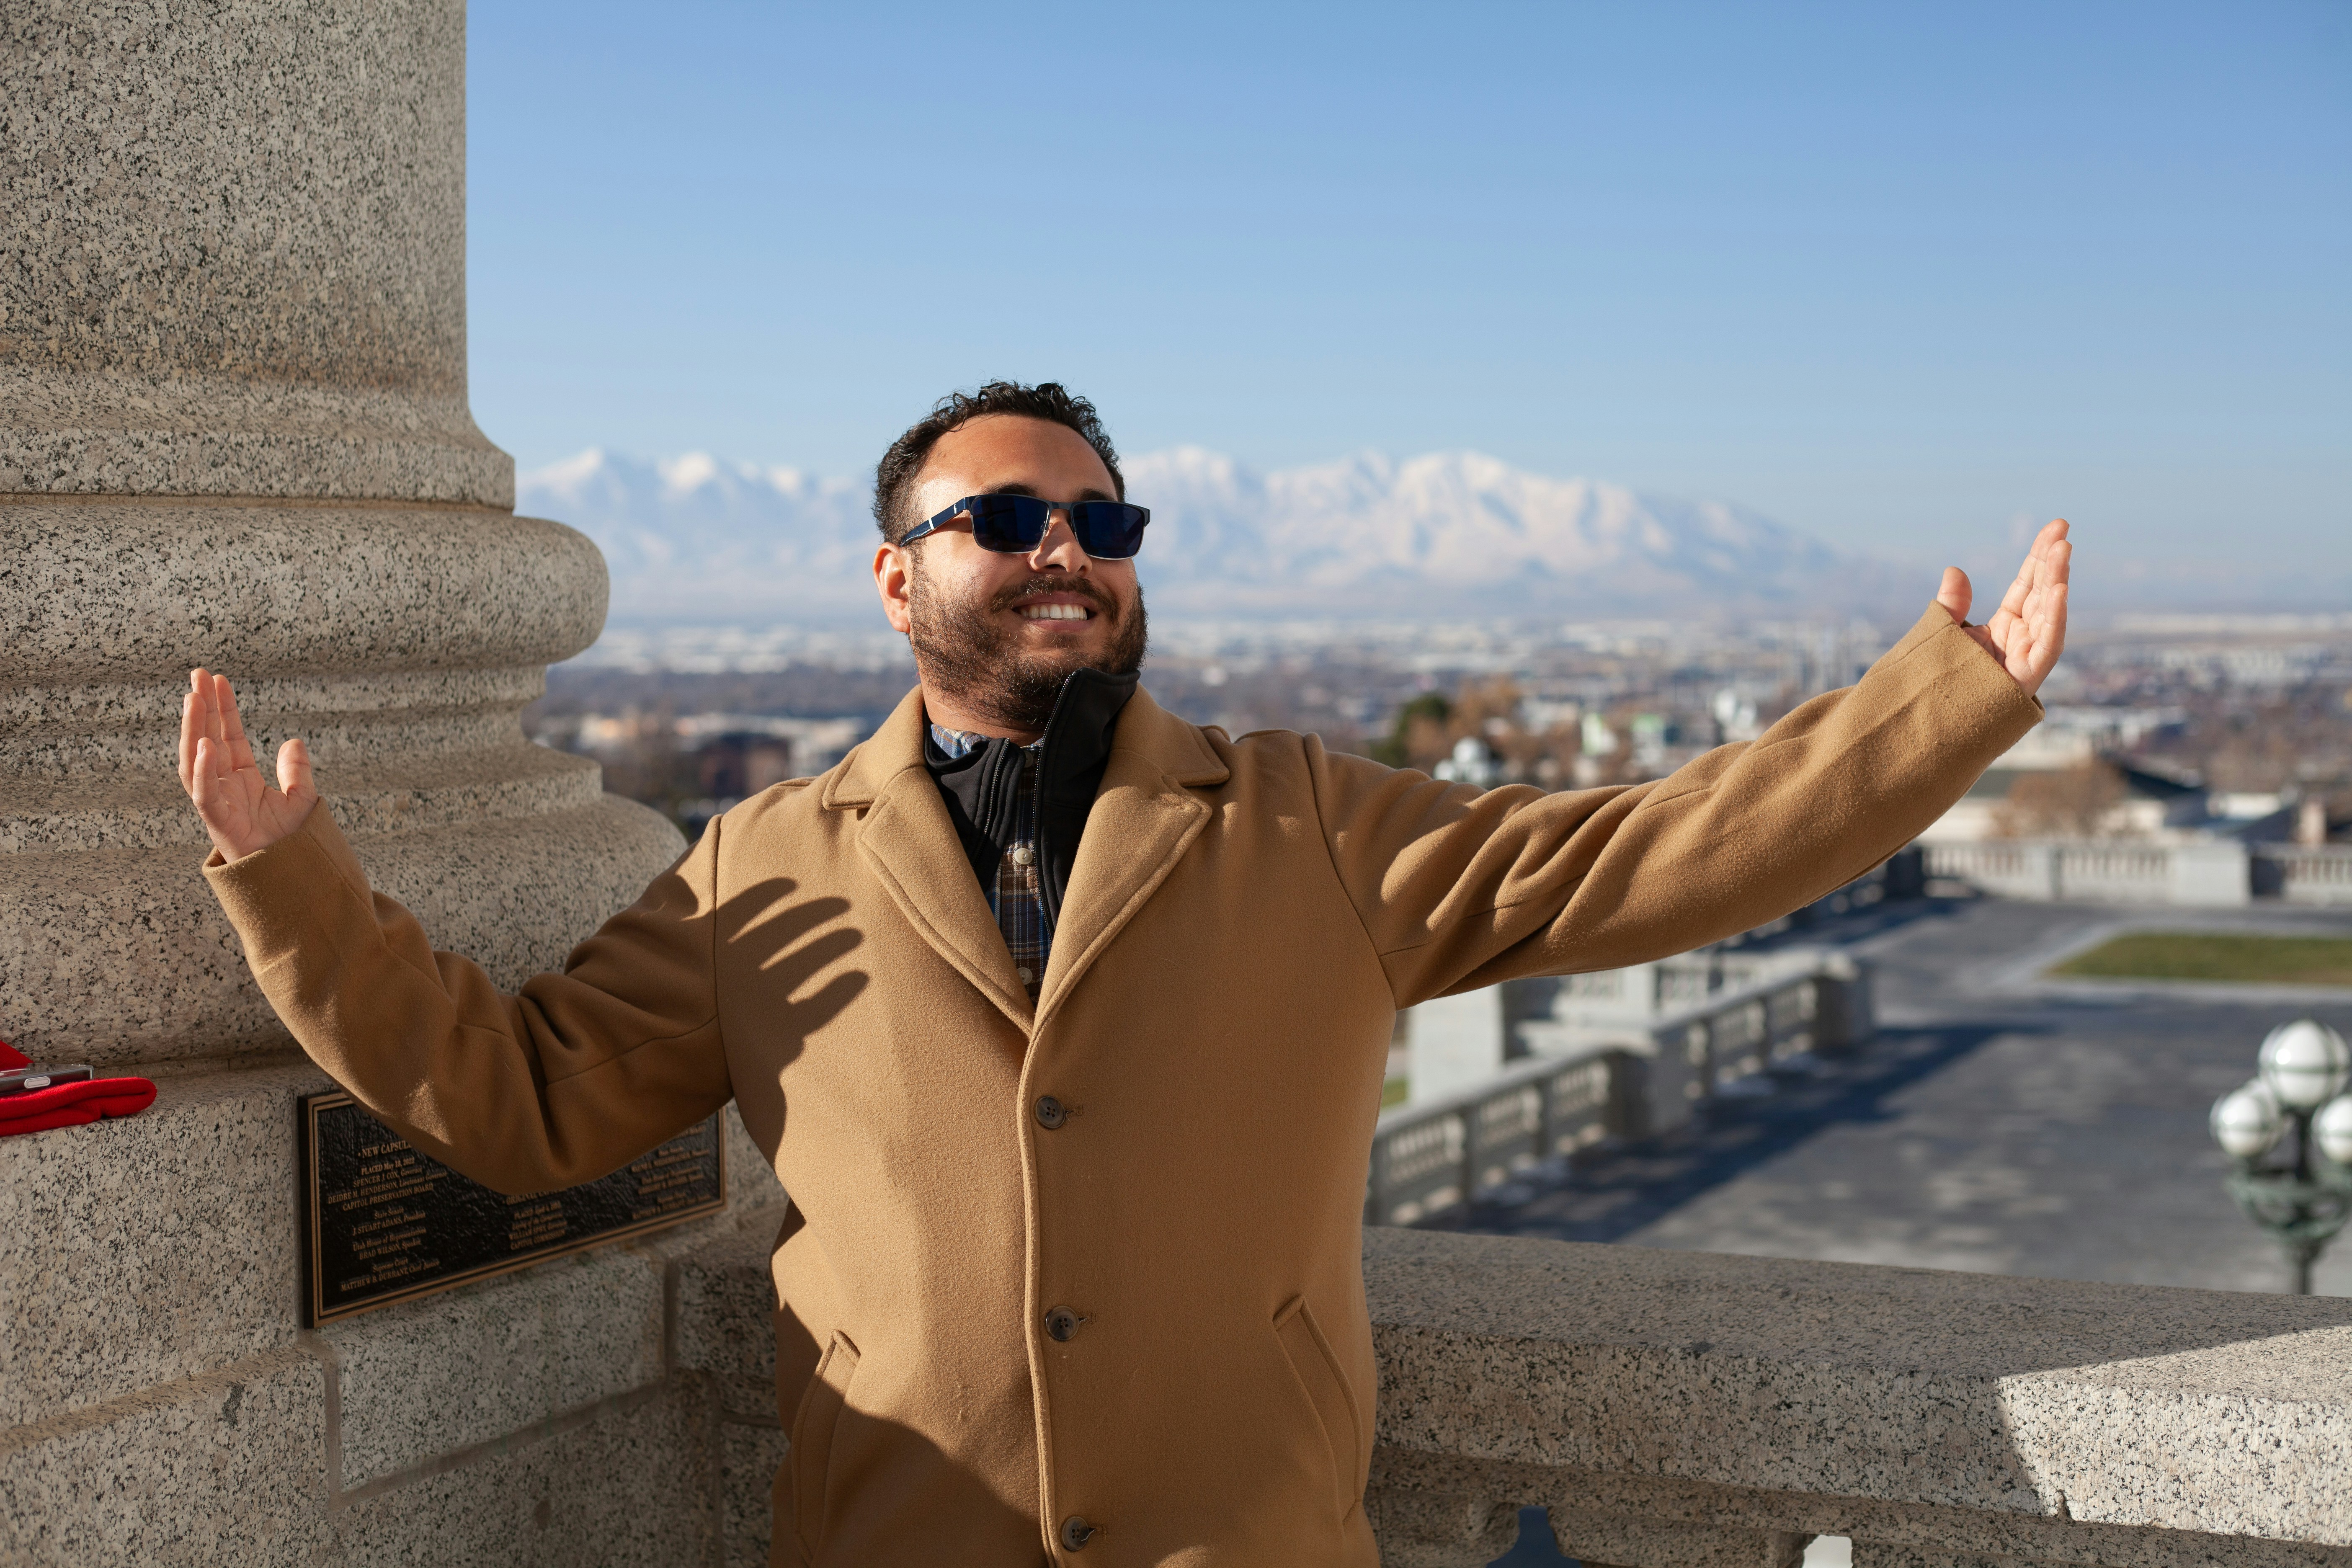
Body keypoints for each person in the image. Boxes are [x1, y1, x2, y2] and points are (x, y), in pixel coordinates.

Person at [180, 382, 2070, 1567]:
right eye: (1002, 521)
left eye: (1101, 521)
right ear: (895, 579)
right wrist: (296, 889)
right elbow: (526, 1105)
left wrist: (1941, 710)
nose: (1061, 549)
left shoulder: (1311, 825)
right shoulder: (763, 864)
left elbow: (1649, 851)